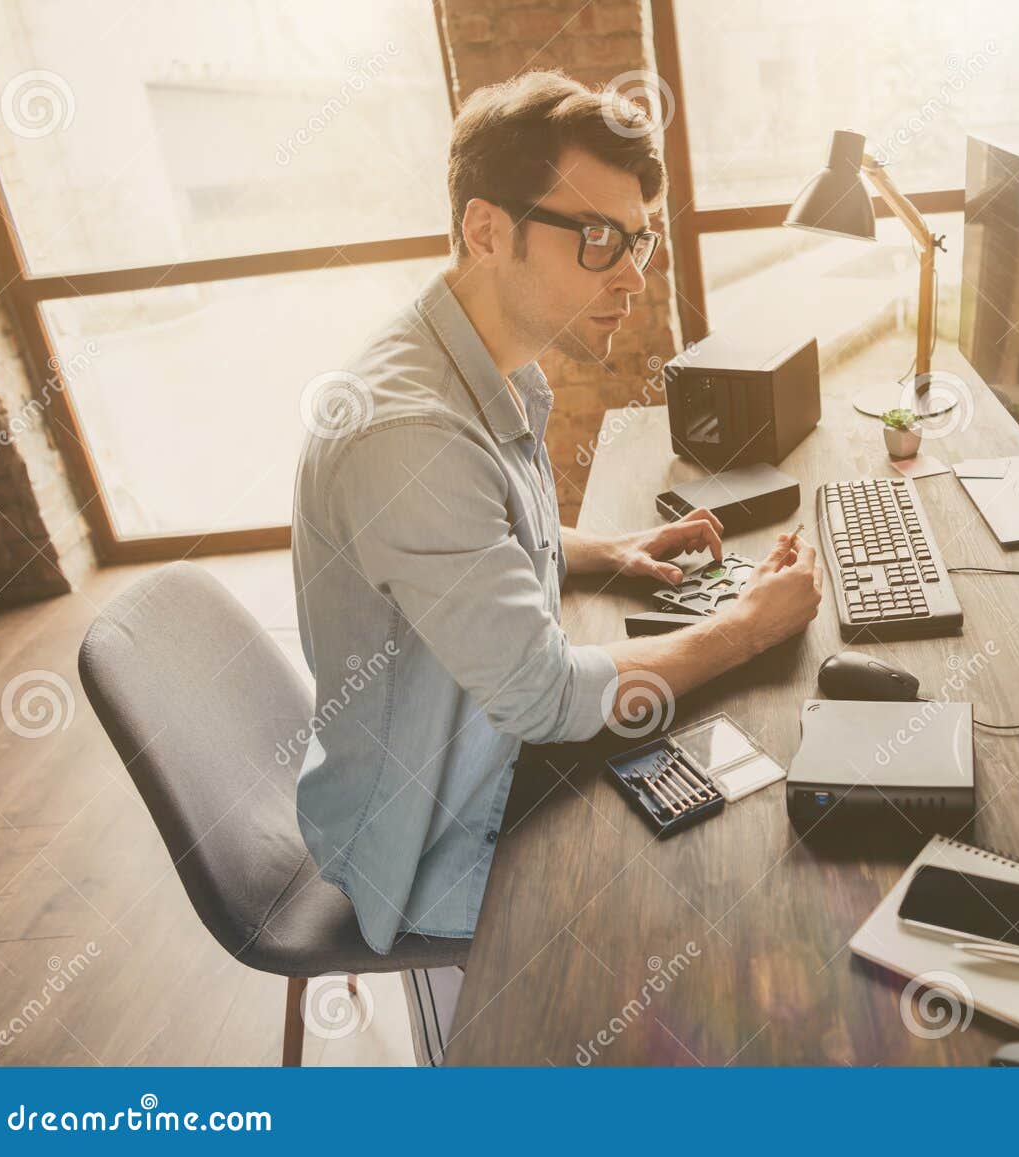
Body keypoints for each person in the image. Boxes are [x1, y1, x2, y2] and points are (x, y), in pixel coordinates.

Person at [289, 70, 822, 1064]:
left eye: (639, 239)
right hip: (432, 836)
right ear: (488, 230)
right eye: (599, 240)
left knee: (751, 782)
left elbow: (481, 538)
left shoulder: (482, 359)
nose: (632, 275)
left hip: (479, 745)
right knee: (758, 885)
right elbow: (540, 694)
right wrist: (752, 623)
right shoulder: (407, 430)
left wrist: (611, 550)